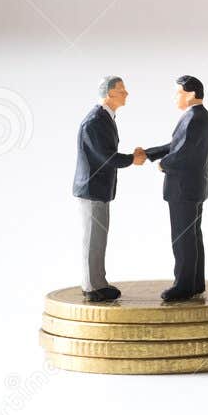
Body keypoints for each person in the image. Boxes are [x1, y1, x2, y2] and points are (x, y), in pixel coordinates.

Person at [72, 77, 146, 302]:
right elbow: (106, 157)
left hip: (100, 189)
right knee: (93, 238)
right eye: (121, 90)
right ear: (109, 94)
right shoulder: (95, 120)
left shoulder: (106, 118)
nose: (126, 93)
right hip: (92, 189)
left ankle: (98, 282)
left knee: (99, 238)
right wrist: (132, 159)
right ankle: (91, 286)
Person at [145, 75, 208, 301]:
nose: (175, 96)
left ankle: (184, 285)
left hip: (183, 188)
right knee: (193, 236)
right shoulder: (201, 118)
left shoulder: (196, 119)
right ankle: (195, 282)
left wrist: (163, 164)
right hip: (193, 187)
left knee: (182, 238)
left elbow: (185, 154)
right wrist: (149, 153)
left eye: (178, 92)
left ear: (191, 94)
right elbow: (175, 146)